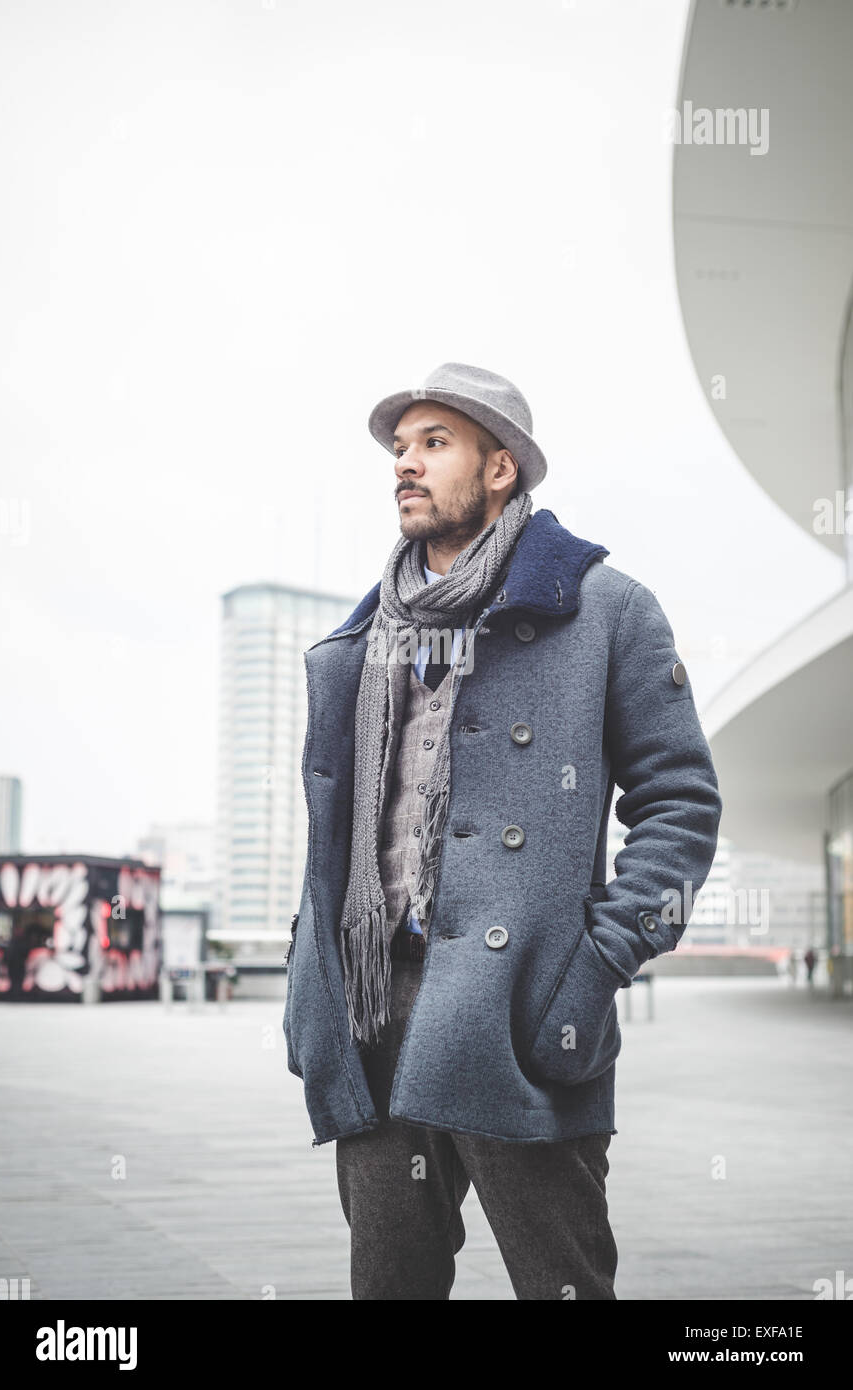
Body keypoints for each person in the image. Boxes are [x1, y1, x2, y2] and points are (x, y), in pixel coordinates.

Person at [283, 361, 723, 1300]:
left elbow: (679, 802)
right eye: (400, 449)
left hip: (517, 1010)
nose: (406, 464)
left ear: (500, 469)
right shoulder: (363, 645)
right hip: (372, 1011)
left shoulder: (605, 611)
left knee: (561, 1285)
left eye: (434, 443)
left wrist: (592, 965)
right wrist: (307, 978)